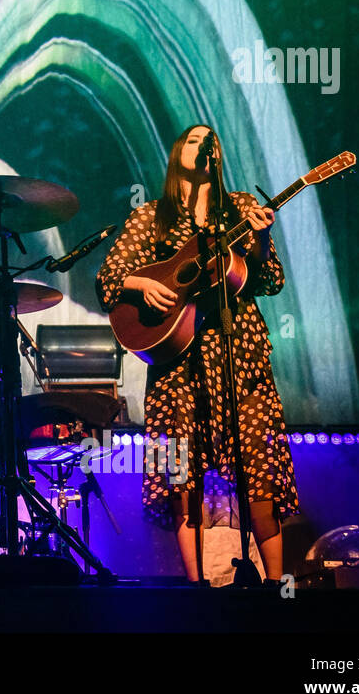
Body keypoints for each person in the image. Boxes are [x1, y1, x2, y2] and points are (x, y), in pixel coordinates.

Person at [95, 124, 298, 583]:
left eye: (212, 141)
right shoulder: (152, 216)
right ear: (176, 153)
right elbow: (109, 279)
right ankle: (196, 590)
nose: (205, 145)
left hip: (239, 356)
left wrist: (262, 241)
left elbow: (271, 281)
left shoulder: (241, 208)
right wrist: (143, 283)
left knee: (258, 473)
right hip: (177, 363)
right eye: (193, 139)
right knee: (179, 478)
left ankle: (275, 589)